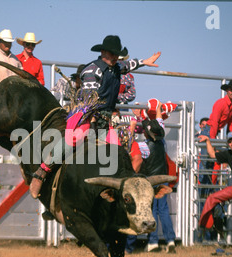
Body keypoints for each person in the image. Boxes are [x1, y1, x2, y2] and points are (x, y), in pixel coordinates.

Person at [29, 35, 161, 197]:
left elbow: (128, 65)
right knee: (75, 139)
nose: (115, 57)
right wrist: (92, 118)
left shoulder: (115, 67)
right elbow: (89, 99)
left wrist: (144, 61)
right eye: (112, 53)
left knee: (117, 150)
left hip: (104, 120)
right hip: (87, 115)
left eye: (116, 54)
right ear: (104, 52)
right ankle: (42, 172)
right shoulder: (92, 70)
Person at [125, 101, 176, 253]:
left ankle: (153, 242)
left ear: (147, 134)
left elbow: (130, 143)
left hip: (151, 181)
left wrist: (136, 119)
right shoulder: (162, 141)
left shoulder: (144, 147)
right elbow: (159, 123)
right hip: (163, 177)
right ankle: (170, 240)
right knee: (164, 210)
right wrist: (159, 109)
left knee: (152, 210)